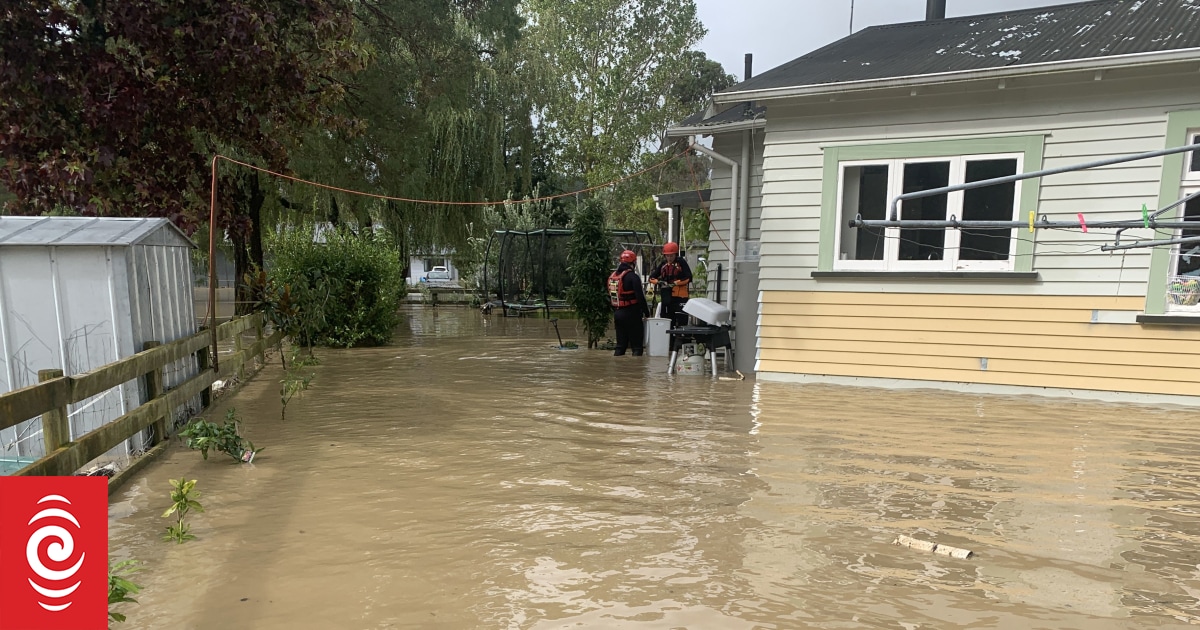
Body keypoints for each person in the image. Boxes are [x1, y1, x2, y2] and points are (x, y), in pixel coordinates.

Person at [608, 249, 649, 356]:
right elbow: (640, 297)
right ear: (633, 263)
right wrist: (646, 312)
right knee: (637, 347)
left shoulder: (613, 276)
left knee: (620, 346)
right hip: (632, 313)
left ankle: (618, 369)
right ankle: (636, 370)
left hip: (618, 313)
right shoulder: (633, 277)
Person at [649, 242, 693, 327]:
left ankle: (681, 338)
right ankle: (669, 339)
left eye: (671, 256)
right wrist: (658, 282)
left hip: (680, 297)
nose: (669, 258)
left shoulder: (681, 262)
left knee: (681, 320)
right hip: (667, 297)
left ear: (675, 255)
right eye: (667, 256)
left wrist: (676, 283)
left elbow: (689, 277)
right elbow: (651, 277)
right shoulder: (663, 264)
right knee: (667, 320)